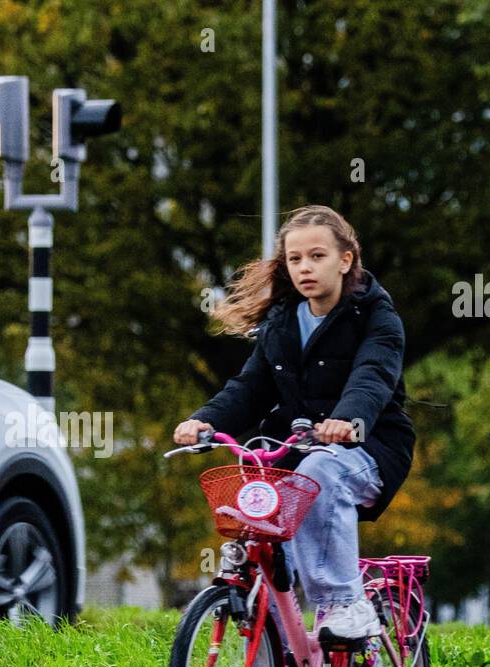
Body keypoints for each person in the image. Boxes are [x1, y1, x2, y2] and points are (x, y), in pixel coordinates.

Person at [174, 204, 415, 643]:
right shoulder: (282, 322)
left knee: (320, 473)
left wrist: (347, 419)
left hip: (369, 449)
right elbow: (251, 388)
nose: (305, 267)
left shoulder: (377, 316)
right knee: (258, 498)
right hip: (296, 449)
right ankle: (283, 656)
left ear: (346, 259)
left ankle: (344, 605)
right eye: (295, 258)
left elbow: (373, 376)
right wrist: (204, 420)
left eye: (317, 256)